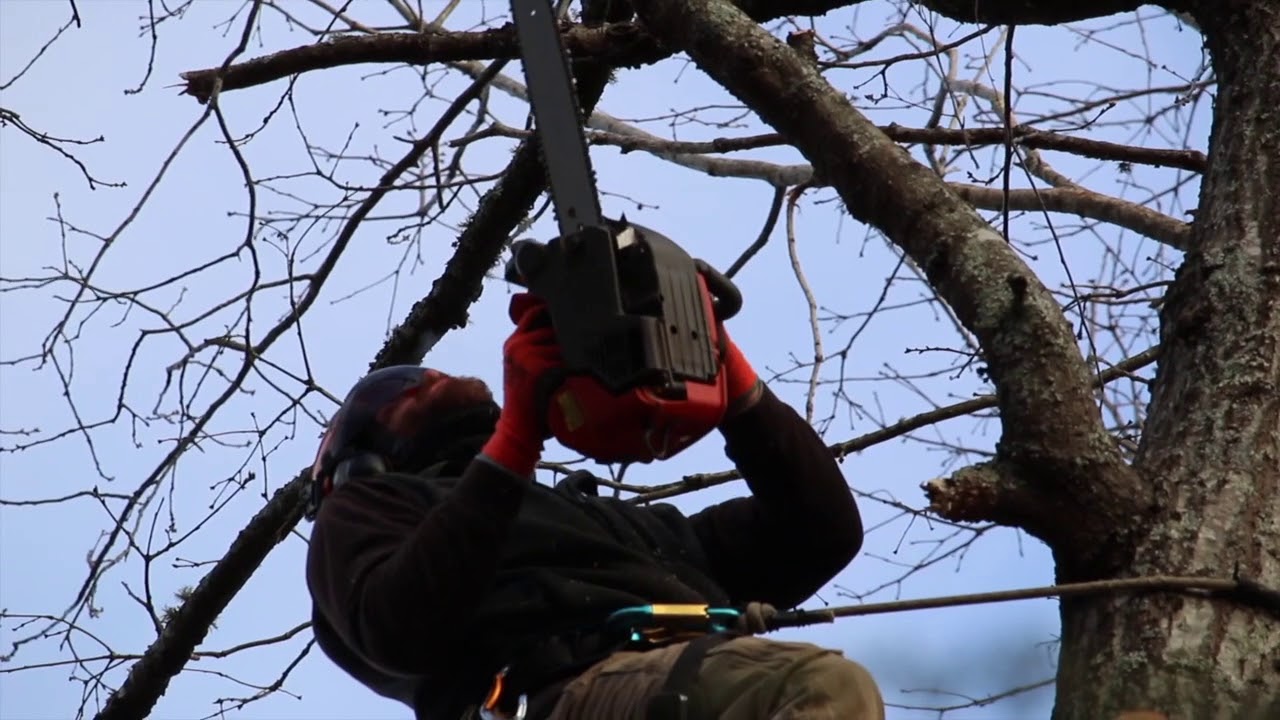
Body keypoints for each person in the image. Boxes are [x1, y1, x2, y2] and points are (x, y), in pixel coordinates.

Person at [304, 293, 885, 720]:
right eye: (395, 392)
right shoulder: (368, 508)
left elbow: (819, 531)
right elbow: (398, 627)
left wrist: (728, 377)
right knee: (817, 687)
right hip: (551, 698)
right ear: (361, 460)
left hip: (679, 677)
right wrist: (515, 444)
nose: (428, 377)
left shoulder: (612, 524)